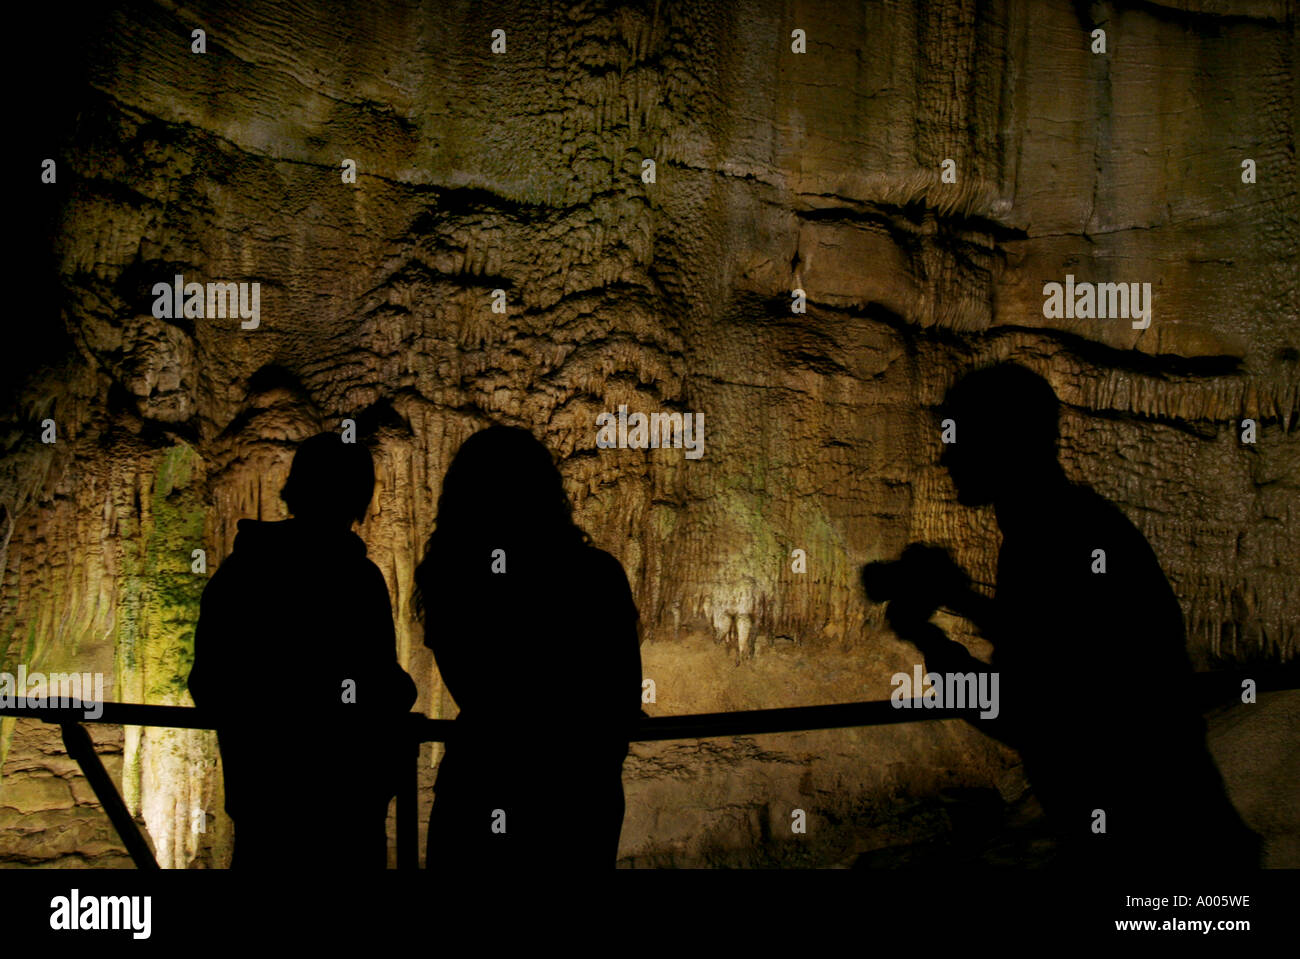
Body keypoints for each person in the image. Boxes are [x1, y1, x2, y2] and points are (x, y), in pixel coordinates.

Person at [868, 363, 1259, 868]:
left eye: (957, 439)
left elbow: (1032, 714)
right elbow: (1056, 647)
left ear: (1000, 442)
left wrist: (928, 639)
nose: (945, 458)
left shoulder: (1050, 540)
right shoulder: (1071, 523)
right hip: (1182, 824)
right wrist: (959, 600)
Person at [415, 425, 642, 870]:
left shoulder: (448, 579)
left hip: (479, 784)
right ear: (547, 490)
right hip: (575, 800)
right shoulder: (596, 577)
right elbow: (622, 697)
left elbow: (475, 687)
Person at [188, 432, 417, 868]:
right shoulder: (356, 581)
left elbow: (209, 683)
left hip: (263, 804)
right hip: (344, 809)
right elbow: (378, 685)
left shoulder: (240, 574)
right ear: (358, 499)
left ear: (296, 490)